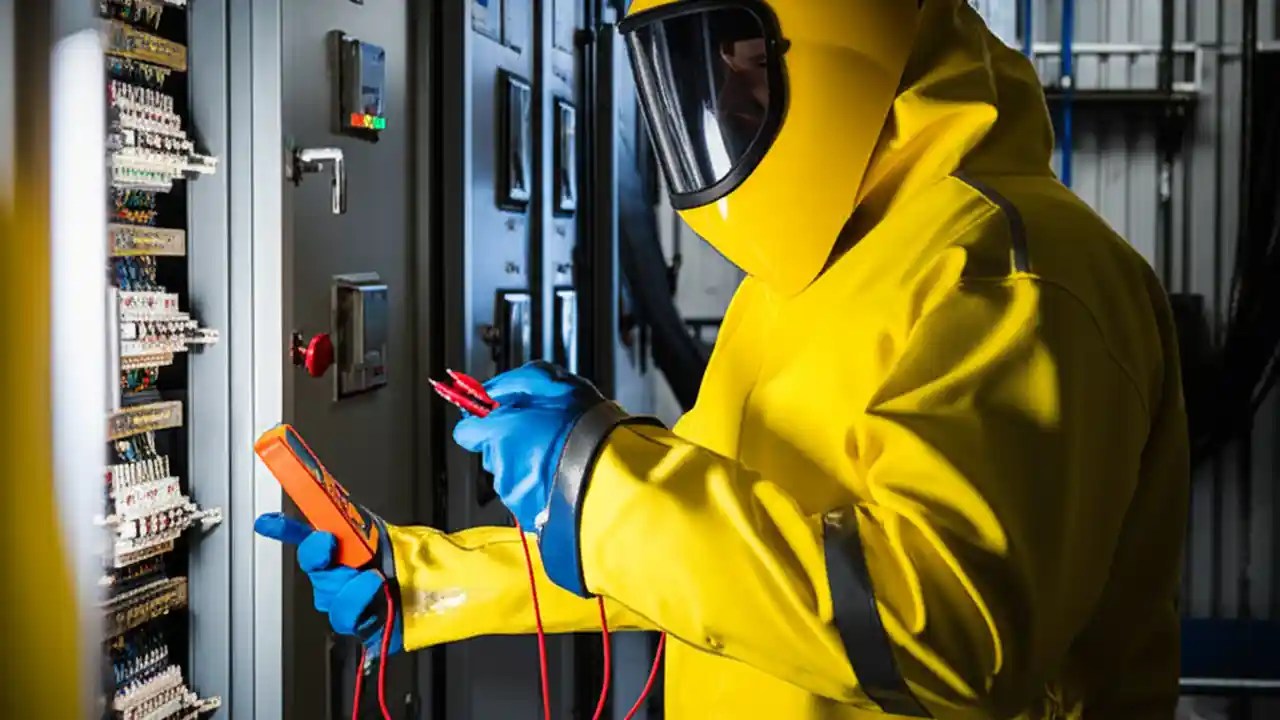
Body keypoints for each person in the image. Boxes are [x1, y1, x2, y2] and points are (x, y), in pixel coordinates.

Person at [256, 1, 1190, 717]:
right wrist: (423, 580)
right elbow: (703, 552)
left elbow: (946, 629)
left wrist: (599, 473)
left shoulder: (1016, 274)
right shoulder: (822, 266)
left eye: (736, 58)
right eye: (688, 70)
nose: (719, 99)